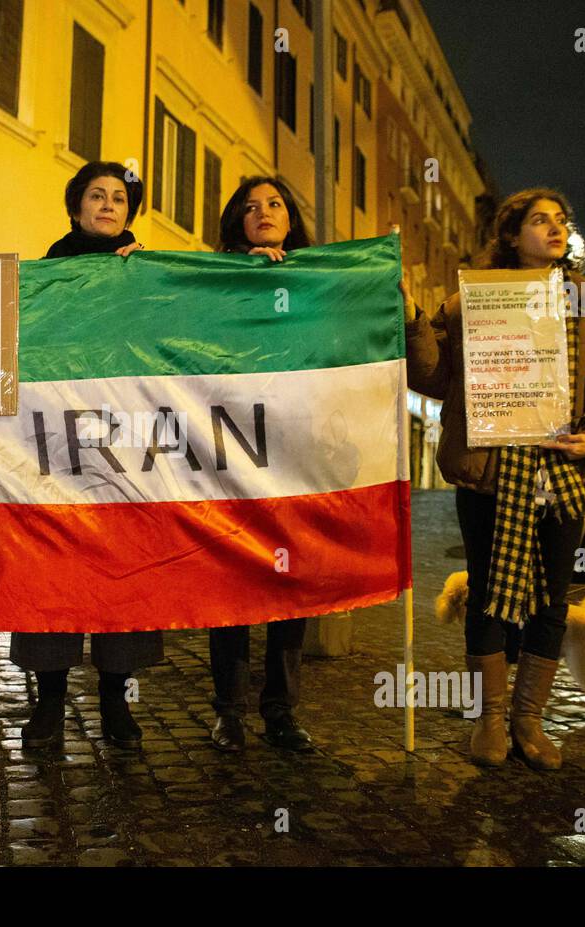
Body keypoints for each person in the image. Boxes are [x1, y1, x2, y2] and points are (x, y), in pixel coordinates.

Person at [406, 188, 585, 770]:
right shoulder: (470, 300)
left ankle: (529, 720)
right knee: (487, 595)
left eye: (561, 220)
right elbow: (432, 374)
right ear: (510, 234)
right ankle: (490, 721)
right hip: (490, 470)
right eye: (539, 220)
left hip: (559, 471)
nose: (554, 229)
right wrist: (409, 320)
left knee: (551, 599)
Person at [12, 160, 161, 750]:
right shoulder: (43, 277)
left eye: (119, 199)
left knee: (123, 575)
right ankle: (48, 704)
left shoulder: (148, 274)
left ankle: (115, 704)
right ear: (75, 207)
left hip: (127, 444)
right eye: (96, 196)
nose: (107, 206)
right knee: (51, 571)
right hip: (54, 442)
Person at [207, 177, 315, 753]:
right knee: (231, 588)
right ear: (238, 225)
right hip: (228, 450)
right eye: (250, 208)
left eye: (275, 203)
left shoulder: (315, 281)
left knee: (287, 585)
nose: (263, 213)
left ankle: (281, 710)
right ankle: (228, 710)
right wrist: (243, 278)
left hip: (292, 454)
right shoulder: (217, 279)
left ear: (290, 219)